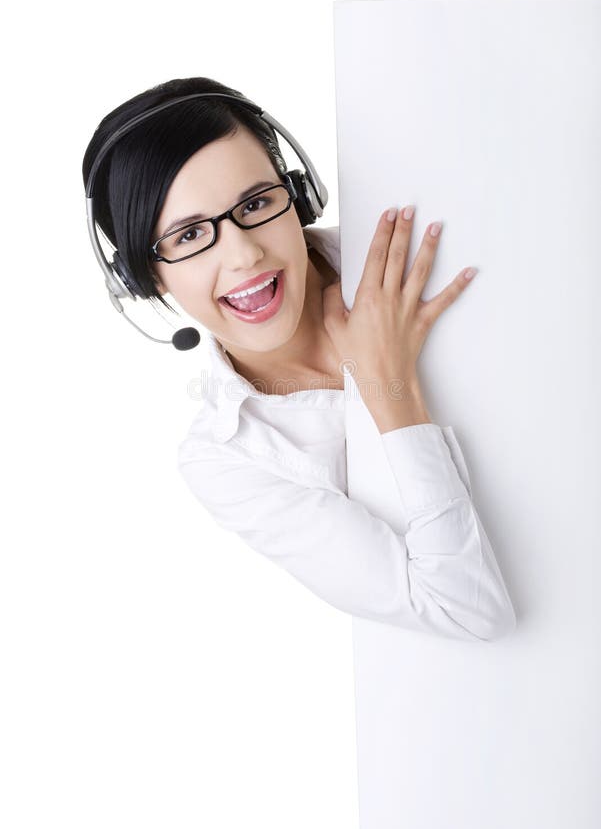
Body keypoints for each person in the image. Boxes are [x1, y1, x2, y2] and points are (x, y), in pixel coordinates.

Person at [82, 76, 517, 642]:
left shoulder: (421, 250)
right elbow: (468, 612)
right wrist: (387, 385)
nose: (243, 254)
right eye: (189, 236)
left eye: (256, 203)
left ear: (300, 197)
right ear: (145, 278)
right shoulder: (228, 459)